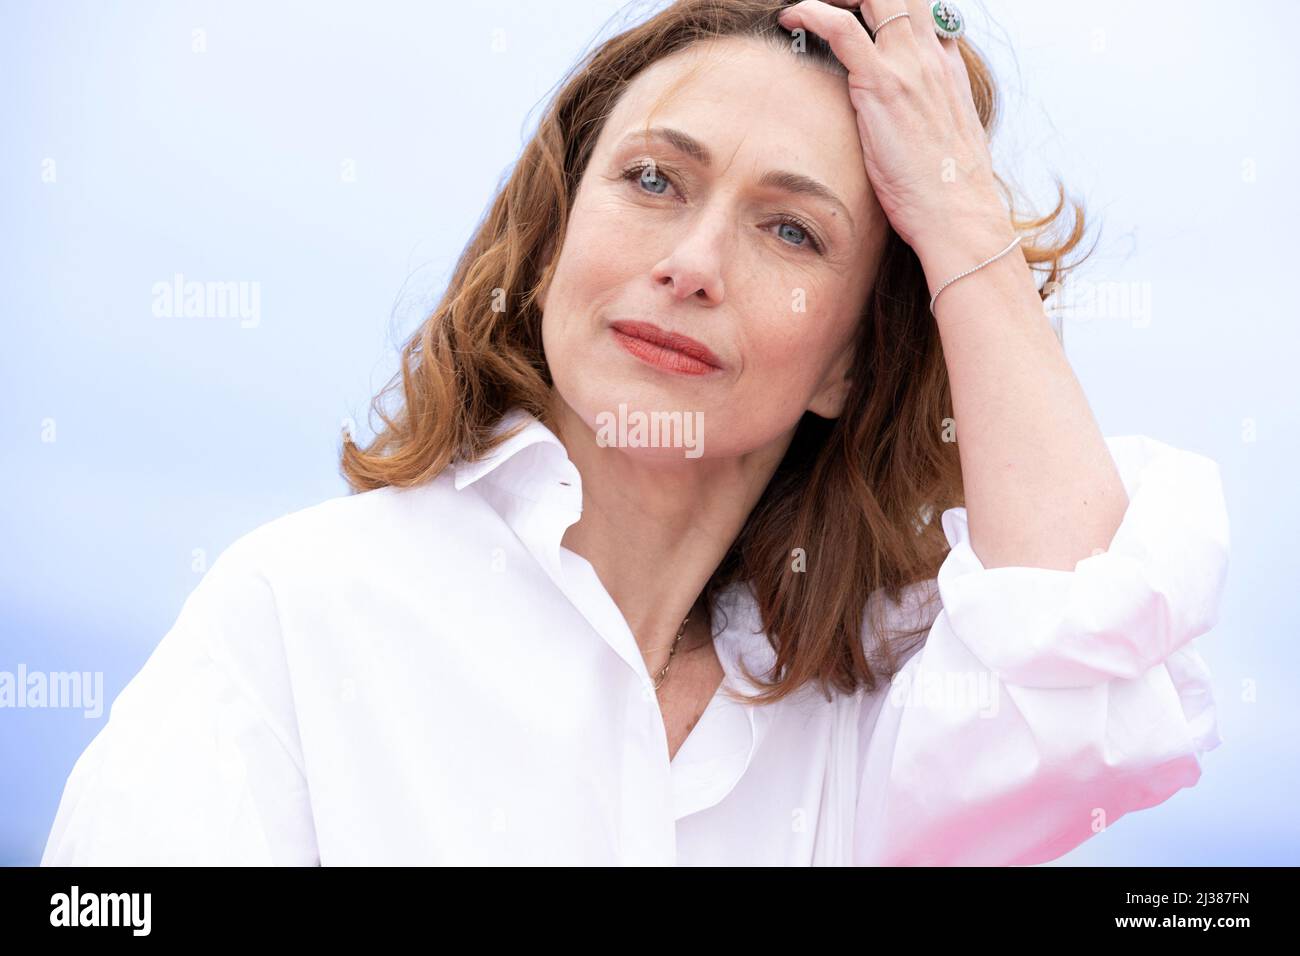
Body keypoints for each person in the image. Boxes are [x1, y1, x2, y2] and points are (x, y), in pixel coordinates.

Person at [40, 0, 1229, 866]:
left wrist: (959, 206)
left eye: (792, 232)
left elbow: (1094, 671)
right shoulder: (301, 611)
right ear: (558, 233)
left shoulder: (864, 708)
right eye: (655, 180)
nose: (692, 264)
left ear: (851, 362)